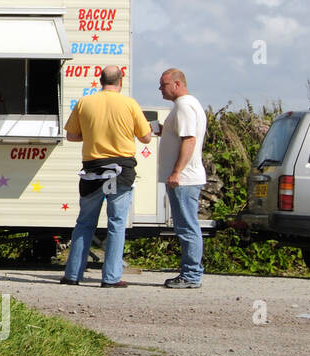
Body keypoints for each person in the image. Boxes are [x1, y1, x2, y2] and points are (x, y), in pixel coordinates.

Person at [60, 66, 152, 287]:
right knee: (116, 224)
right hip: (120, 172)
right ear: (120, 81)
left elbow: (71, 136)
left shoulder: (85, 102)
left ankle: (73, 275)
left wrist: (93, 135)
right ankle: (110, 278)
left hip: (92, 171)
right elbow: (146, 137)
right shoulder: (130, 104)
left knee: (84, 223)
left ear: (100, 81)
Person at [156, 68, 207, 289]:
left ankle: (191, 274)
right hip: (185, 178)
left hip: (184, 179)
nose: (160, 89)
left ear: (177, 84)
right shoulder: (187, 105)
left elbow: (189, 140)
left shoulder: (184, 106)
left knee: (187, 227)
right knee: (186, 226)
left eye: (164, 85)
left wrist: (177, 172)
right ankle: (190, 272)